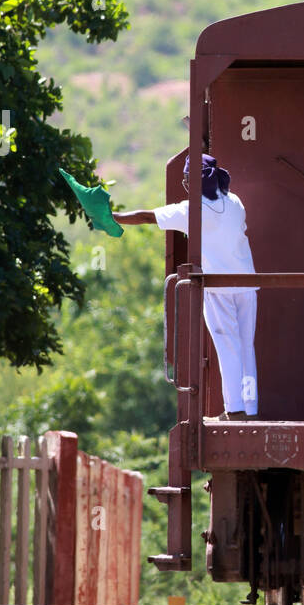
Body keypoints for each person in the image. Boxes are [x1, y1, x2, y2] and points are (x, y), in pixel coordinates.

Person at [112, 154, 258, 421]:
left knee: (228, 348)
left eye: (188, 178)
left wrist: (113, 216)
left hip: (218, 289)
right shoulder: (235, 202)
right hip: (247, 284)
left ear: (194, 180)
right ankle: (250, 408)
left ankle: (235, 411)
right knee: (246, 347)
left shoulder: (191, 211)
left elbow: (147, 217)